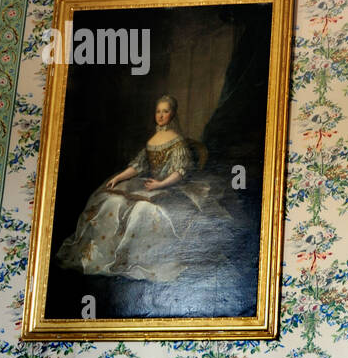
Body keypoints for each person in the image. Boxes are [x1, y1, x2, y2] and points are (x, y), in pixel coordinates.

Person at [56, 94, 231, 284]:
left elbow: (180, 171)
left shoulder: (178, 141)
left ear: (172, 114)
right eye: (158, 111)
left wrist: (161, 184)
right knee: (111, 203)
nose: (161, 115)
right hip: (149, 185)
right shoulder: (152, 140)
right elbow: (139, 166)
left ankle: (130, 260)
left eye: (165, 111)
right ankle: (104, 258)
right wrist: (119, 177)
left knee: (142, 211)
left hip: (172, 190)